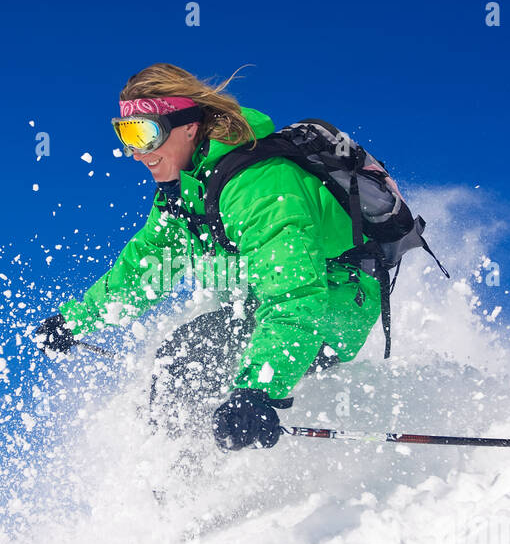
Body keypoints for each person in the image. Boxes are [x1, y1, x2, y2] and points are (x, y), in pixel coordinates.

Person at [34, 63, 381, 451]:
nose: (136, 153)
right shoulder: (186, 191)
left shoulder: (258, 185)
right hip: (268, 307)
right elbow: (145, 268)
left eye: (145, 134)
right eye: (126, 135)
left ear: (189, 126)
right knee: (182, 362)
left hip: (332, 307)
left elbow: (296, 293)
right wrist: (75, 322)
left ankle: (193, 493)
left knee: (188, 360)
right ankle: (183, 480)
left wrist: (259, 390)